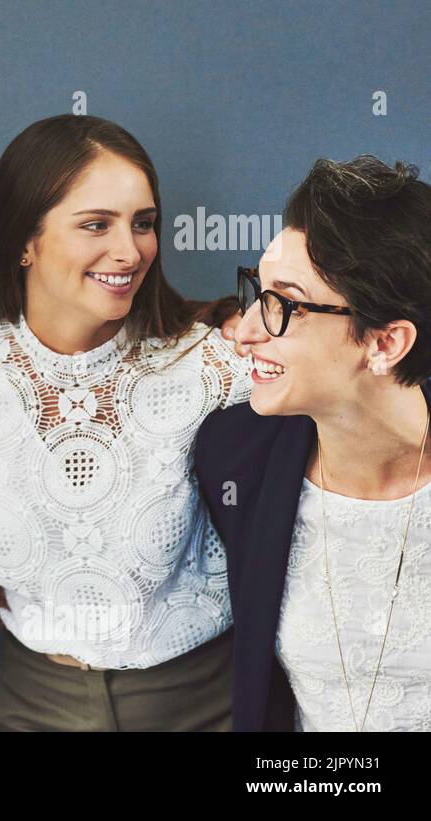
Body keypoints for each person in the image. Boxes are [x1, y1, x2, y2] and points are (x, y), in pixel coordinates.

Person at [0, 115, 248, 730]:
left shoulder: (212, 363)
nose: (129, 250)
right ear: (24, 240)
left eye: (143, 223)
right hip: (31, 701)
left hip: (205, 702)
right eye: (96, 224)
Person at [195, 155, 431, 732]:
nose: (246, 330)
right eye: (258, 290)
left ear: (385, 342)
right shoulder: (235, 457)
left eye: (285, 305)